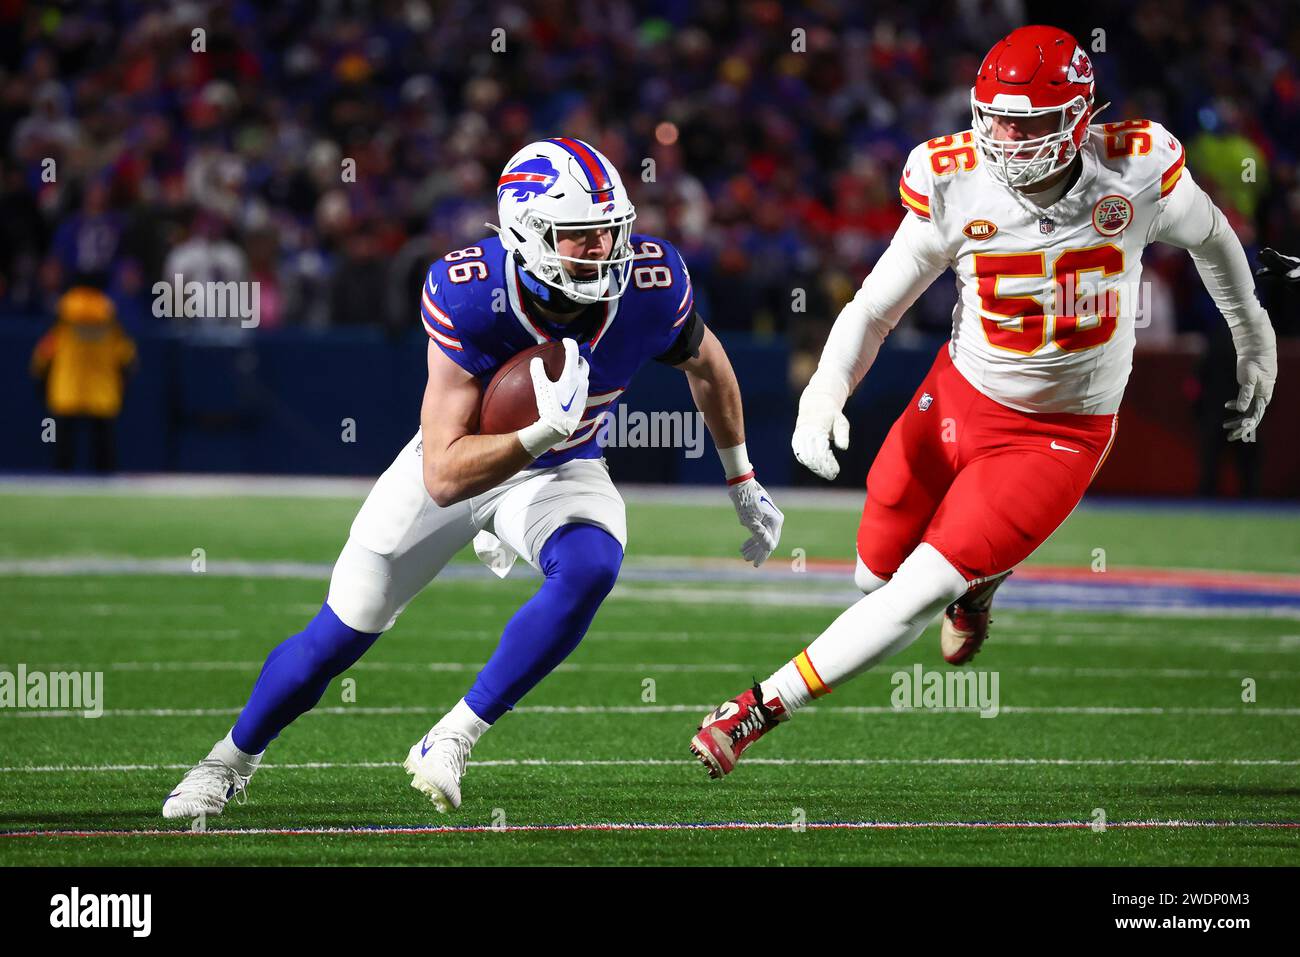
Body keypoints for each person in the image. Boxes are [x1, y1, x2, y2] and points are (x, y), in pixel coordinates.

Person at [690, 25, 1278, 779]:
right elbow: (874, 308)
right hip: (958, 393)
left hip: (1059, 432)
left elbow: (1215, 239)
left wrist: (1252, 335)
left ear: (1078, 119)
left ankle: (756, 708)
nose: (1006, 137)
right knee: (874, 574)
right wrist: (826, 391)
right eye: (996, 117)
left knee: (917, 588)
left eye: (1029, 122)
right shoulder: (953, 178)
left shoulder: (1135, 168)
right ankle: (978, 585)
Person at [162, 137, 784, 817]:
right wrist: (532, 432)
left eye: (611, 233)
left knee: (592, 564)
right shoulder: (472, 295)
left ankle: (452, 735)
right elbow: (443, 471)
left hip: (563, 465)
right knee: (337, 635)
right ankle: (227, 760)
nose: (604, 252)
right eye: (581, 237)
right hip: (463, 460)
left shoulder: (650, 285)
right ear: (527, 231)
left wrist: (741, 478)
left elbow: (711, 367)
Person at [30, 280, 137, 473]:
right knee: (104, 459)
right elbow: (128, 359)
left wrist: (41, 384)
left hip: (66, 390)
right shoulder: (109, 318)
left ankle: (58, 493)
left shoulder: (63, 318)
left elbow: (42, 357)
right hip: (102, 392)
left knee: (61, 455)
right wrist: (123, 386)